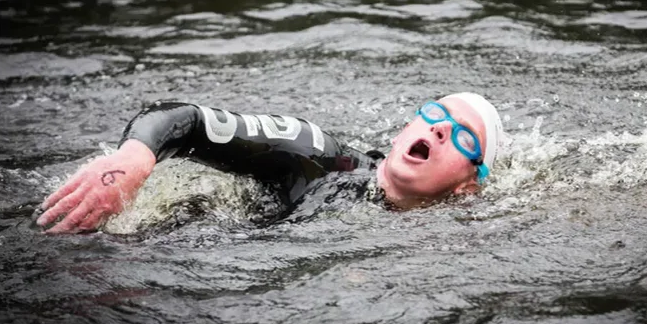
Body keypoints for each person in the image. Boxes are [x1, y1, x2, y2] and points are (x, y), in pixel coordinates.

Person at [36, 92, 504, 234]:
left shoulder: (446, 247)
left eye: (462, 136)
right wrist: (132, 160)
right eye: (434, 115)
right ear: (404, 132)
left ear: (469, 185)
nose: (440, 128)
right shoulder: (321, 157)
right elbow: (188, 120)